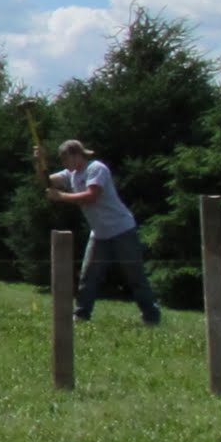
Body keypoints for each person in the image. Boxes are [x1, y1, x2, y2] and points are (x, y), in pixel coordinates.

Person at [36, 138, 161, 325]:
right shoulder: (71, 173)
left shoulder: (96, 169)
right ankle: (81, 314)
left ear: (77, 155)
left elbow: (91, 196)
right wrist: (39, 162)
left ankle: (151, 316)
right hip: (100, 234)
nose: (64, 164)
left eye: (66, 159)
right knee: (89, 276)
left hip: (122, 229)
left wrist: (61, 196)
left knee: (134, 275)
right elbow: (46, 182)